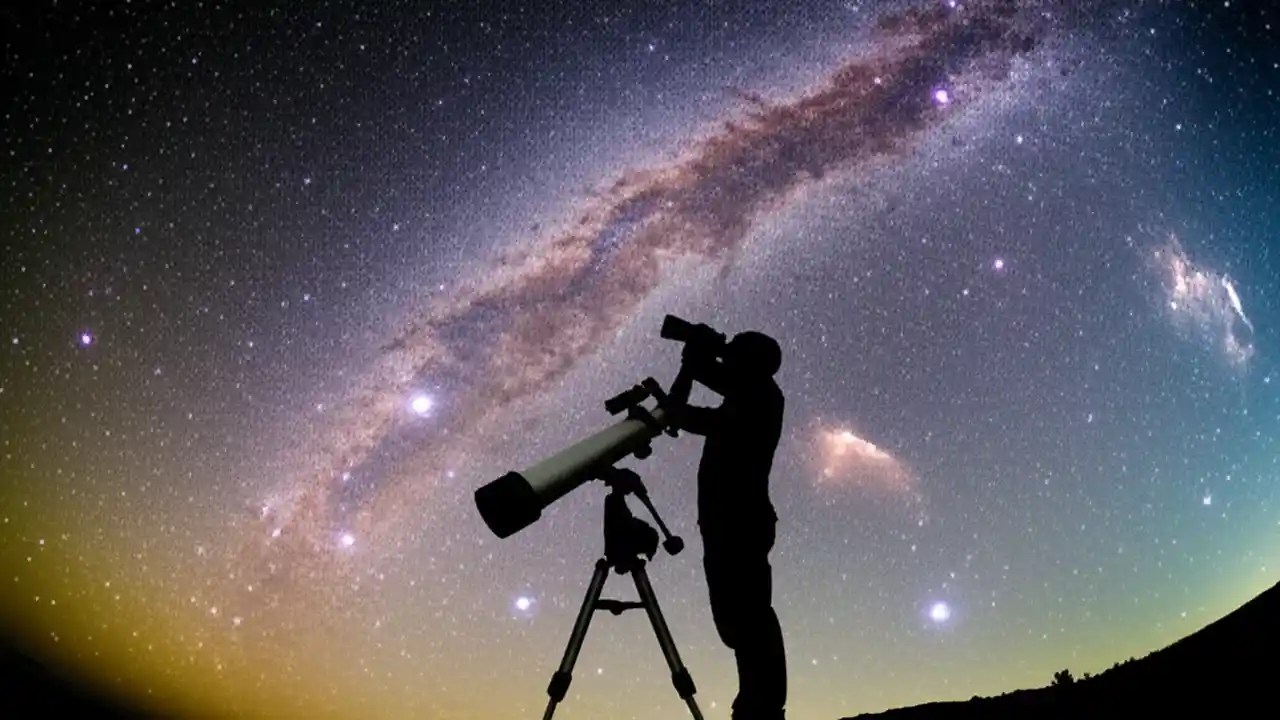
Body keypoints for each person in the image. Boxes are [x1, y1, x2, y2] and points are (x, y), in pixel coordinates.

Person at [667, 328, 787, 720]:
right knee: (740, 619)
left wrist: (692, 365)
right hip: (730, 522)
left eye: (734, 352)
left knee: (749, 618)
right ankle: (755, 701)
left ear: (750, 362)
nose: (727, 356)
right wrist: (694, 360)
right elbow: (713, 378)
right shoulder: (753, 390)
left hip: (740, 522)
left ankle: (762, 707)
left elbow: (690, 417)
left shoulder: (759, 398)